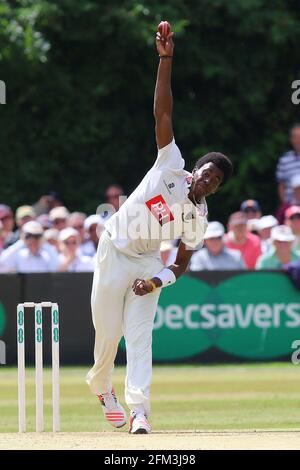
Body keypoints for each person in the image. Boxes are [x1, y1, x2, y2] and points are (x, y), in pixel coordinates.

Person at [86, 21, 233, 435]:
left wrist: (155, 281)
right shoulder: (170, 164)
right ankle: (101, 386)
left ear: (217, 189)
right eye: (206, 172)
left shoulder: (198, 220)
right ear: (196, 167)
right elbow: (162, 109)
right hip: (115, 251)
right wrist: (165, 59)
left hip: (147, 264)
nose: (207, 180)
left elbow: (182, 264)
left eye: (215, 182)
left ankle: (140, 411)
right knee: (108, 335)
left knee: (139, 338)